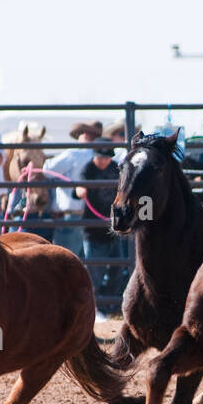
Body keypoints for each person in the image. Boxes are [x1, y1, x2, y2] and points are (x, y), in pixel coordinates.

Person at [78, 142, 126, 320]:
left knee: (118, 268)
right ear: (94, 156)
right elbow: (78, 187)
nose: (104, 161)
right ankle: (93, 307)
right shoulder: (88, 169)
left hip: (113, 227)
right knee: (94, 273)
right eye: (101, 157)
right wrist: (80, 190)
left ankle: (106, 305)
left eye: (107, 157)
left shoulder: (116, 168)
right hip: (93, 230)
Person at [44, 121, 102, 257]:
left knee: (65, 259)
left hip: (71, 214)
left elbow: (47, 170)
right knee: (86, 260)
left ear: (85, 135)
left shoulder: (73, 154)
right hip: (92, 216)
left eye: (79, 135)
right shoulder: (101, 156)